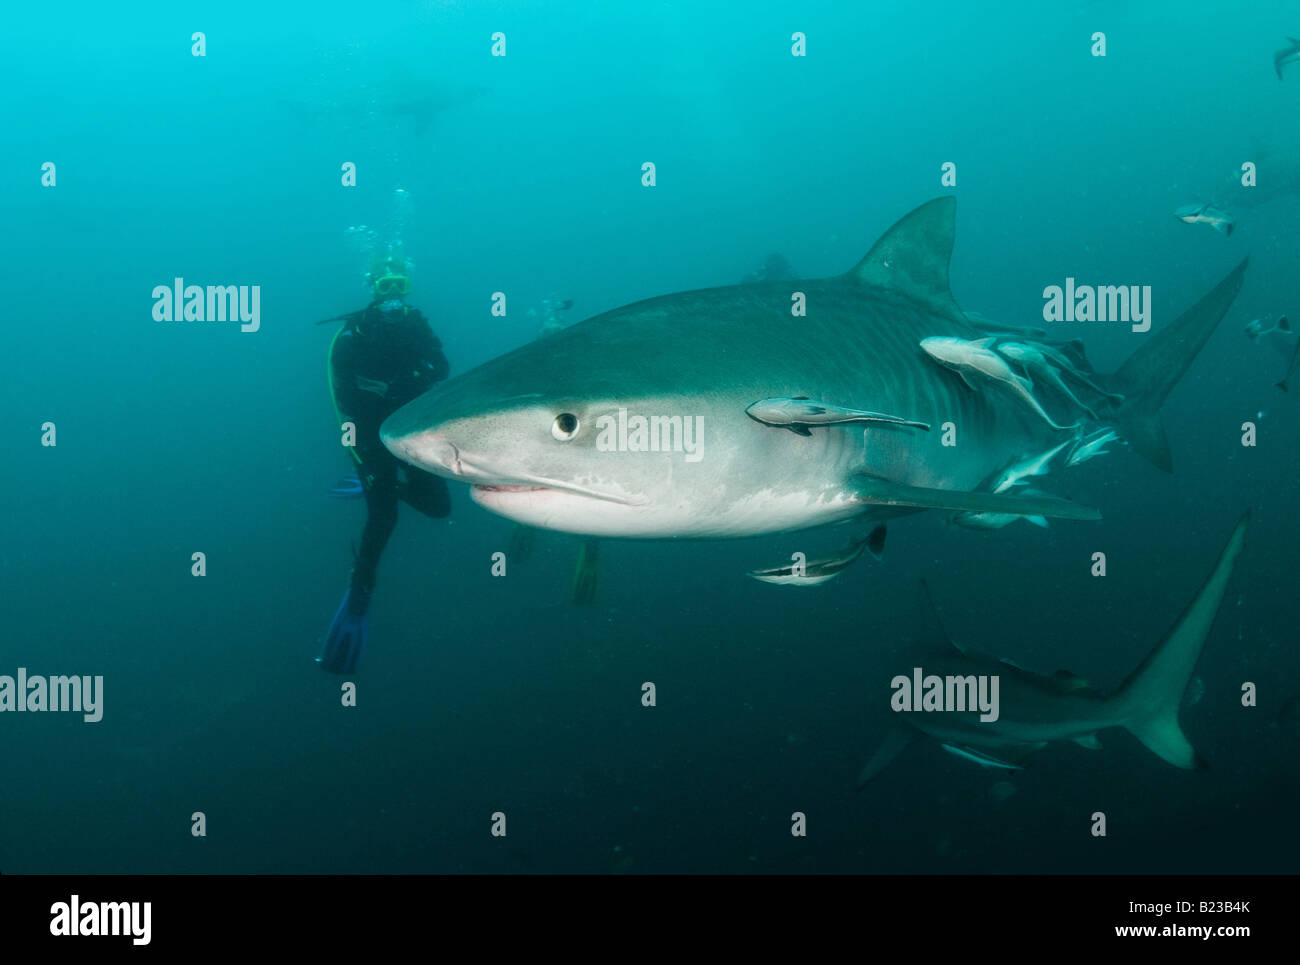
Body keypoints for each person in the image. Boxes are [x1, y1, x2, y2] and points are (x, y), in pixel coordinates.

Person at [318, 254, 451, 673]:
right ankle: (359, 595)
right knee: (384, 516)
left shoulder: (417, 323)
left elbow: (442, 368)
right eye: (386, 285)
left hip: (410, 432)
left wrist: (409, 383)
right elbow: (341, 402)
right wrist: (359, 454)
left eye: (400, 284)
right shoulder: (351, 334)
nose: (394, 293)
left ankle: (380, 485)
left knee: (440, 507)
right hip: (367, 436)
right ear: (372, 288)